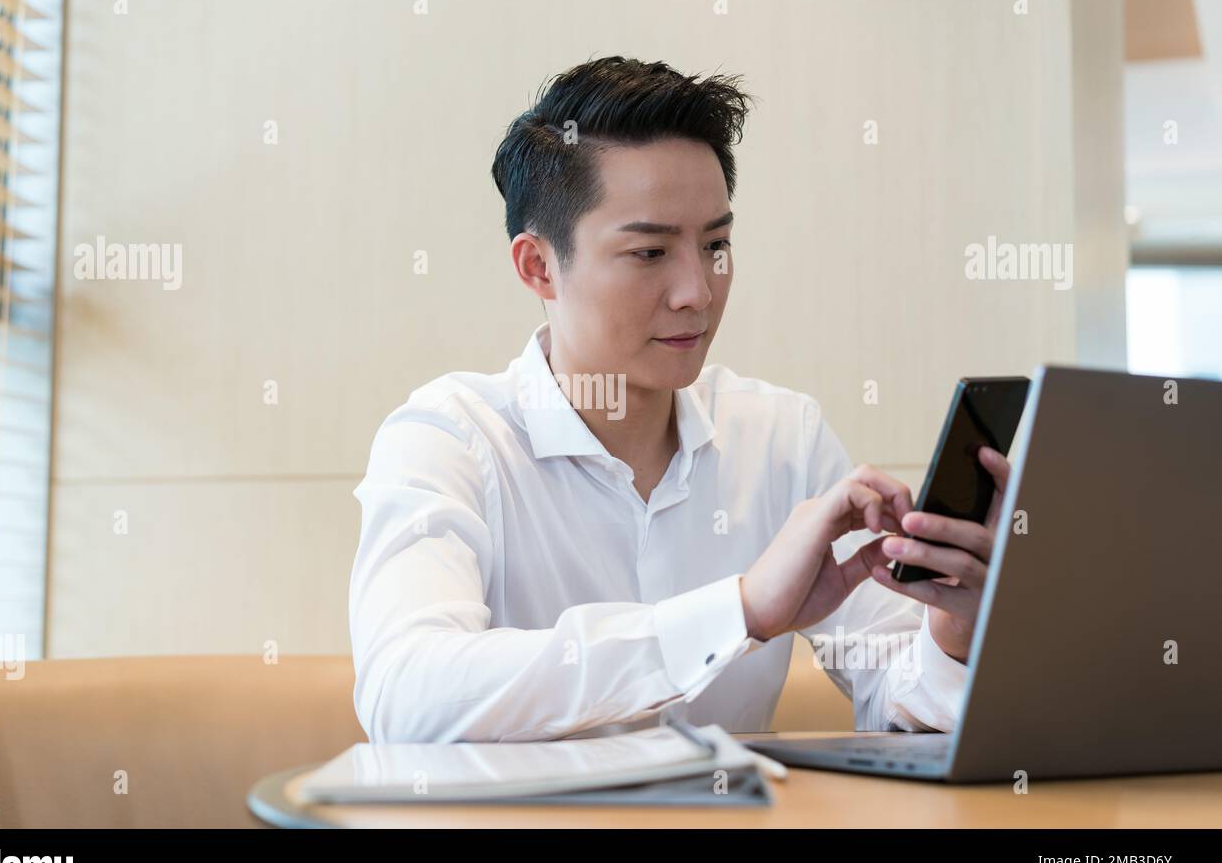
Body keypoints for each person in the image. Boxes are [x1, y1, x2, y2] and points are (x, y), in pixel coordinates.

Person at [348, 56, 1009, 743]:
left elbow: (901, 704)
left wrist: (951, 631)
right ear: (538, 266)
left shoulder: (782, 438)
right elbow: (408, 695)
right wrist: (739, 610)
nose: (697, 289)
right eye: (650, 253)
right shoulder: (449, 438)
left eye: (716, 244)